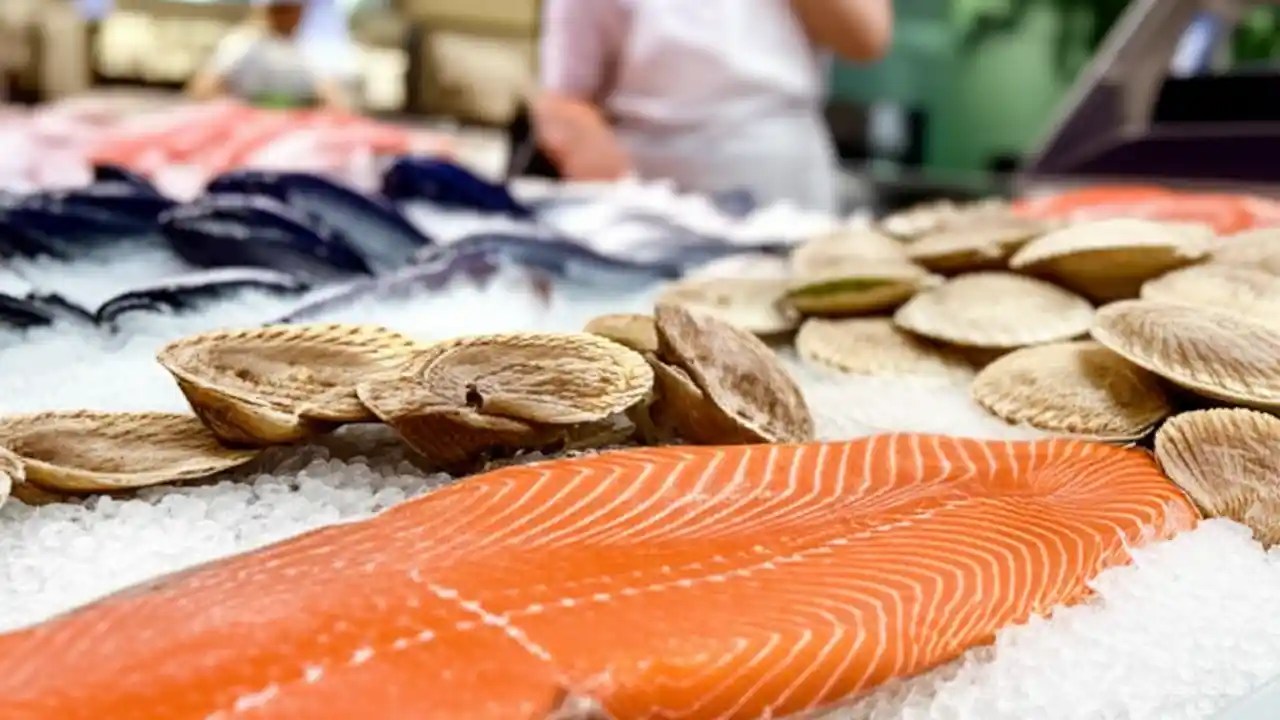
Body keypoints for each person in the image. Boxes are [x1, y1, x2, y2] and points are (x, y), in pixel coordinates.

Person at [532, 0, 893, 214]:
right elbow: (564, 98)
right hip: (645, 197)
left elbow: (866, 39)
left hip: (784, 183)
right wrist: (621, 194)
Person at [186, 0, 351, 110]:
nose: (290, 17)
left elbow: (332, 99)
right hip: (246, 125)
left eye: (293, 10)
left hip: (292, 128)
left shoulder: (308, 50)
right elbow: (202, 89)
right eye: (282, 10)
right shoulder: (242, 43)